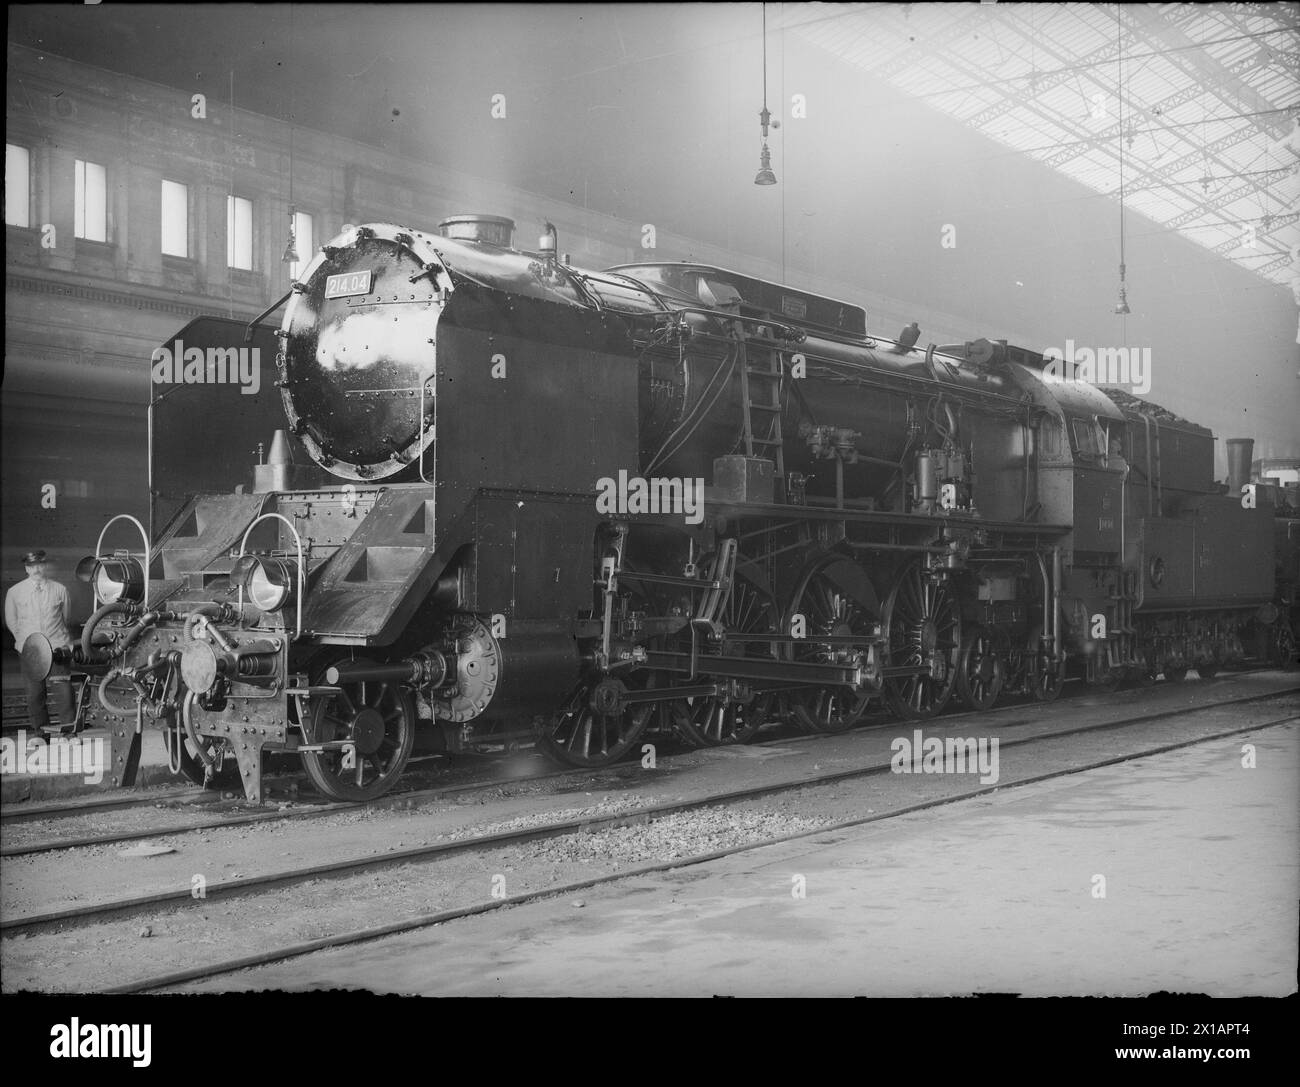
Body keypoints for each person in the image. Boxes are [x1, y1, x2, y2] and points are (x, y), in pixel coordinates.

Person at [4, 550, 75, 732]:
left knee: (64, 692)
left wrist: (56, 638)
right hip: (30, 650)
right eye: (31, 566)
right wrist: (26, 641)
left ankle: (69, 733)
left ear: (44, 566)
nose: (35, 569)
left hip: (57, 647)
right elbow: (12, 621)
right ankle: (41, 734)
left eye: (39, 565)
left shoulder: (60, 590)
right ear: (26, 569)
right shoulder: (15, 592)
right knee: (35, 694)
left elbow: (65, 618)